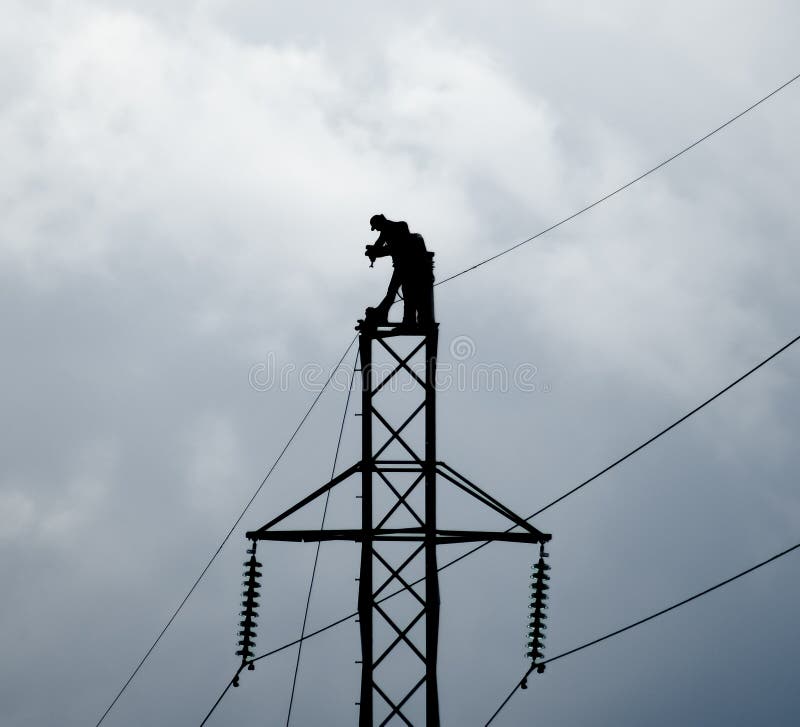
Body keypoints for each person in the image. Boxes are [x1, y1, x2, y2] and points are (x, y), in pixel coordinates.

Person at [365, 214, 434, 328]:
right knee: (392, 292)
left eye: (376, 227)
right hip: (400, 267)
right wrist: (373, 251)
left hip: (409, 267)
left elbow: (396, 248)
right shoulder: (385, 232)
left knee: (408, 293)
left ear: (381, 222)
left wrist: (376, 252)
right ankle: (383, 313)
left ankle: (408, 321)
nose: (376, 230)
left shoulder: (401, 226)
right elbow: (379, 246)